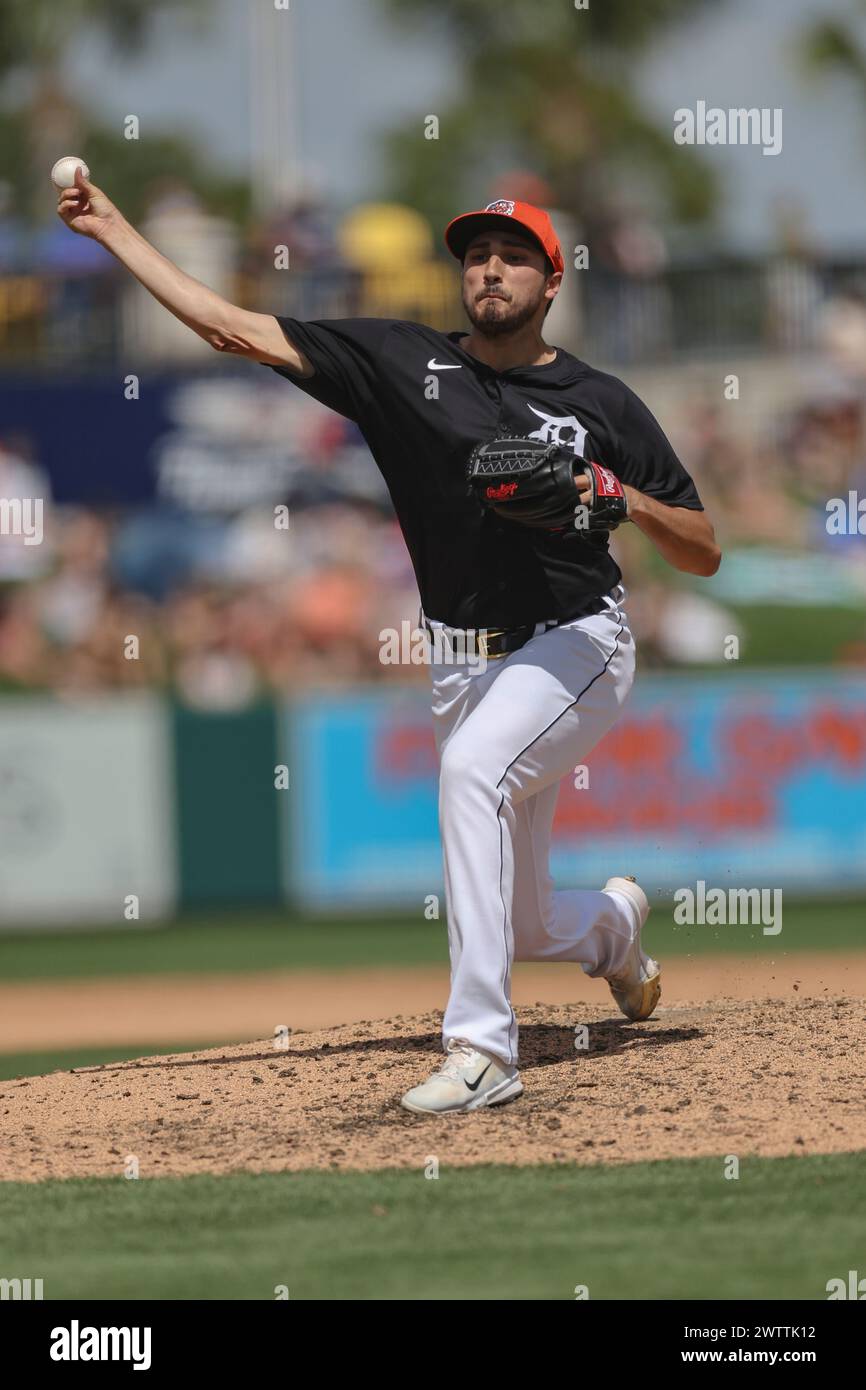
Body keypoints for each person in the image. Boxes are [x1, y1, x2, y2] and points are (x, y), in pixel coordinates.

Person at [57, 176, 721, 1115]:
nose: (490, 268)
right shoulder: (400, 362)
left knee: (472, 779)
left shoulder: (599, 400)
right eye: (476, 254)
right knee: (523, 917)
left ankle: (484, 1051)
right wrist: (112, 228)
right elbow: (228, 327)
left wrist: (622, 499)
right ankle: (611, 928)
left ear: (553, 277)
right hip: (460, 656)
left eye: (513, 254)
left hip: (577, 641)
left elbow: (703, 550)